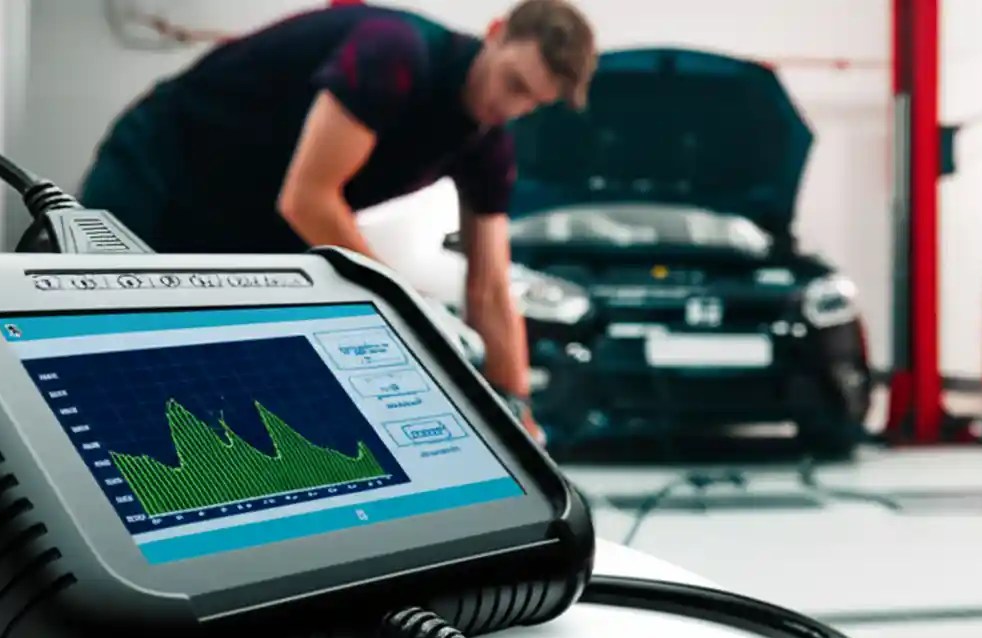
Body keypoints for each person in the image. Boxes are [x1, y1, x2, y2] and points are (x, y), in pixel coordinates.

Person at [79, 0, 598, 441]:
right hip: (160, 165)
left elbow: (488, 286)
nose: (512, 106)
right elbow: (309, 200)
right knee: (108, 348)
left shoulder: (488, 142)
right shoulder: (394, 54)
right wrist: (417, 314)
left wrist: (518, 414)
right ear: (495, 33)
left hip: (246, 217)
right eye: (514, 83)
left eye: (534, 101)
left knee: (215, 390)